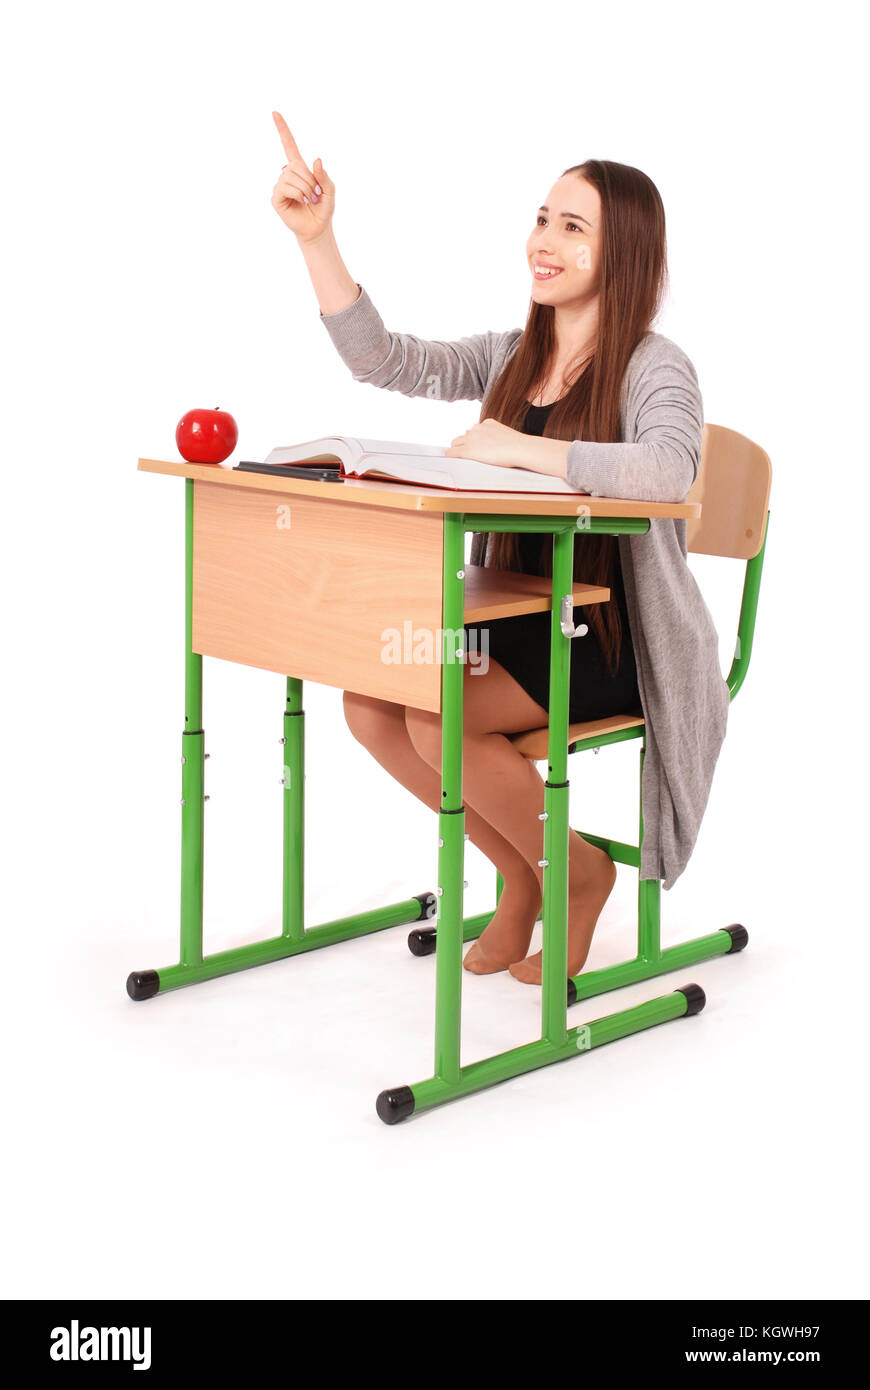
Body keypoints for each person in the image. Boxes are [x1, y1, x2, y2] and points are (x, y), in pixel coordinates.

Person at [270, 111, 730, 984]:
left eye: (571, 226)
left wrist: (517, 446)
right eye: (541, 219)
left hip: (611, 635)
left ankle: (581, 874)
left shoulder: (653, 365)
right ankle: (525, 870)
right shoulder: (513, 354)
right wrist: (318, 240)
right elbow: (385, 361)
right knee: (371, 703)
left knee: (435, 710)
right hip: (512, 614)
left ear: (622, 252)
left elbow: (670, 469)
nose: (542, 241)